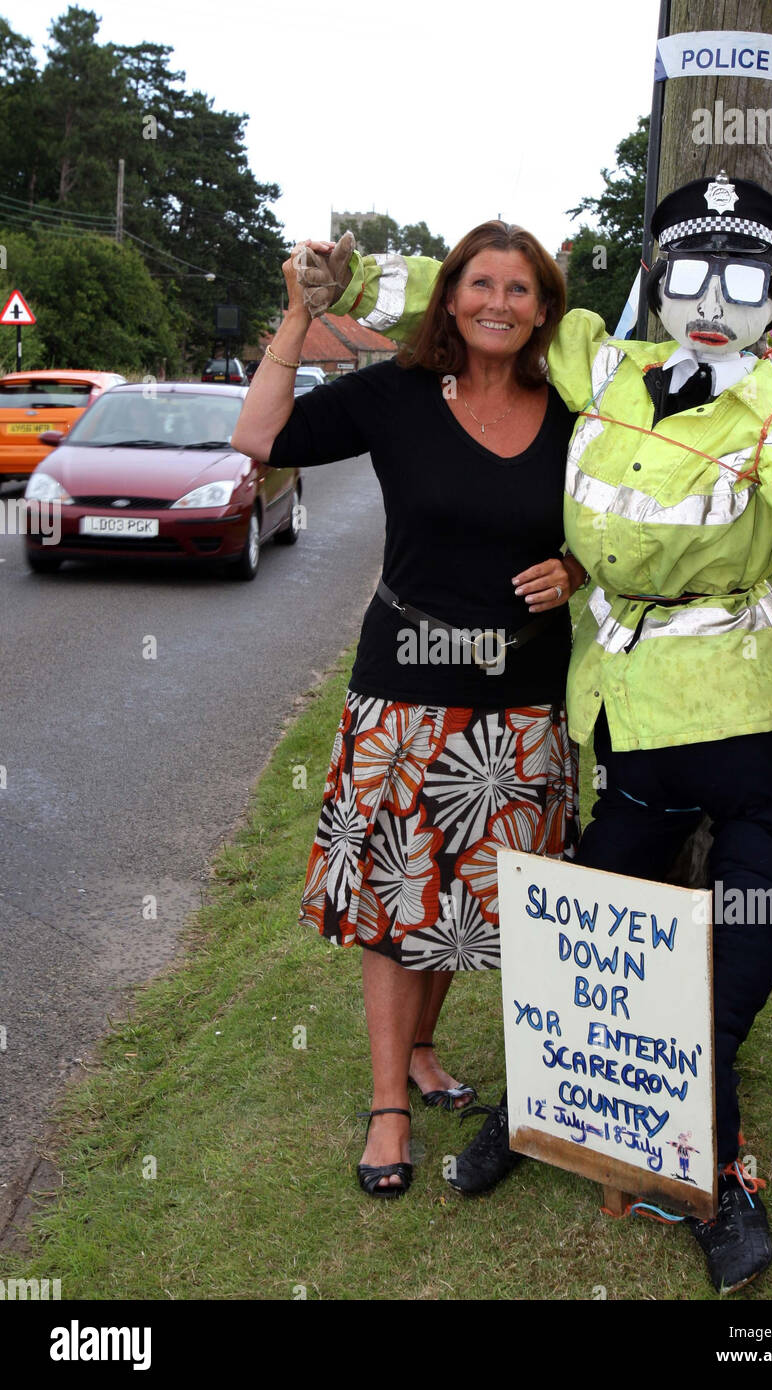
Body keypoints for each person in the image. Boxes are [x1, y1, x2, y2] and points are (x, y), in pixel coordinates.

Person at [300, 174, 772, 1284]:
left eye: (742, 282)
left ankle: (713, 1180)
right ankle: (535, 1111)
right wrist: (358, 275)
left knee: (733, 963)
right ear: (655, 285)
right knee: (579, 945)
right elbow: (486, 301)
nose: (712, 302)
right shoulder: (605, 370)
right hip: (620, 732)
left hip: (746, 746)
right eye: (689, 276)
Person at [231, 221, 586, 1198]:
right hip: (408, 690)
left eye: (520, 290)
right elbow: (260, 438)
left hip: (519, 697)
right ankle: (390, 1102)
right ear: (450, 296)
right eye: (481, 284)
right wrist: (298, 319)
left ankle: (426, 1048)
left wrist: (579, 564)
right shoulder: (394, 395)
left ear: (543, 308)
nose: (498, 304)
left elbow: (609, 521)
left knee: (471, 900)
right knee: (397, 900)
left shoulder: (570, 410)